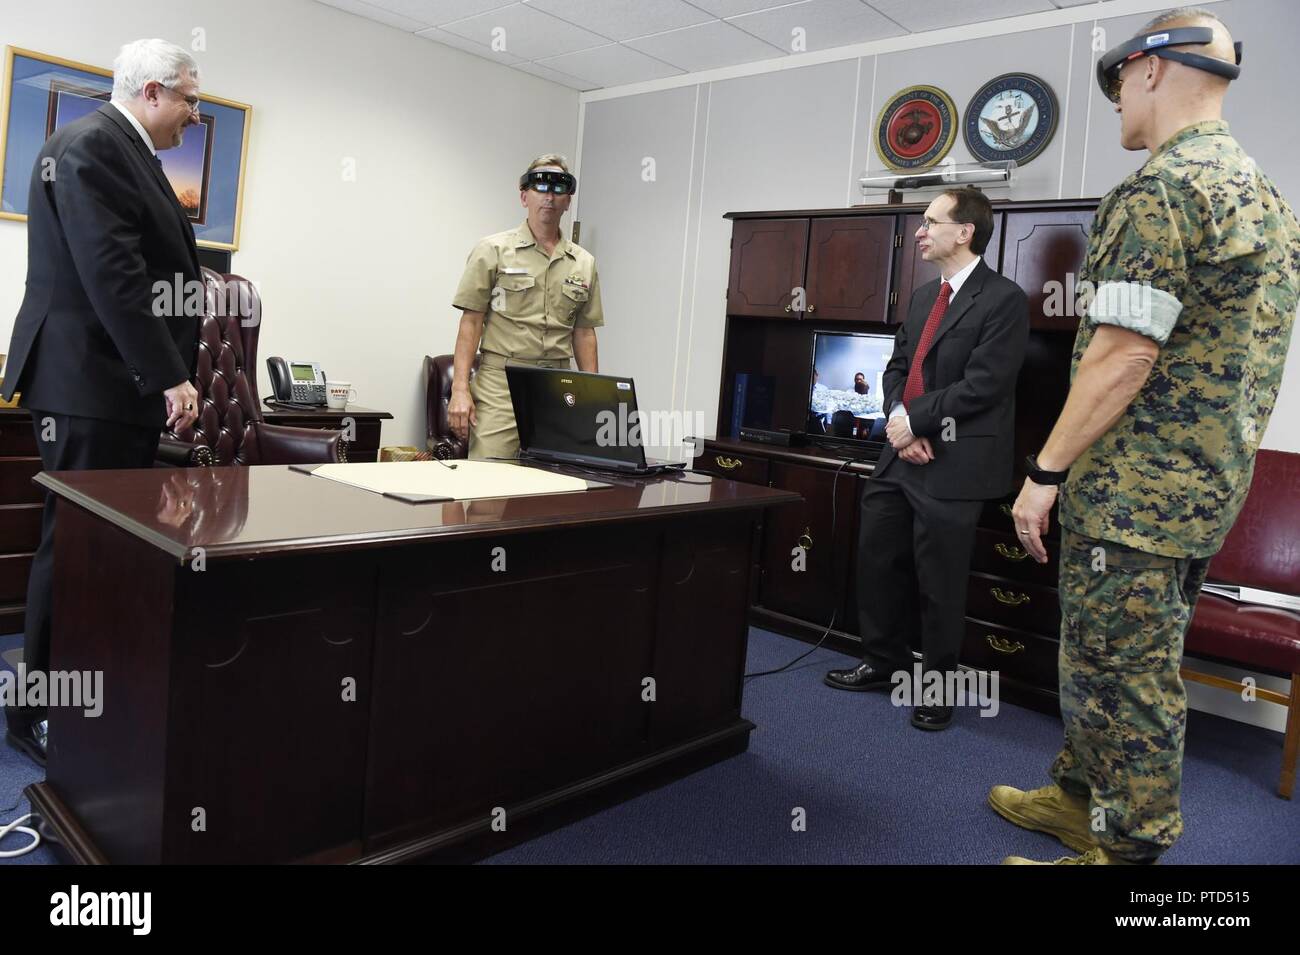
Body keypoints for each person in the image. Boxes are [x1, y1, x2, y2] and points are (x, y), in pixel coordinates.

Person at [992, 7, 1300, 864]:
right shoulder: (1266, 198)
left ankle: (1126, 848)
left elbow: (1123, 355)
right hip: (1198, 490)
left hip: (1136, 489)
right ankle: (1077, 795)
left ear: (1154, 69)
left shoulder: (1164, 189)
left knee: (1122, 673)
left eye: (1120, 80)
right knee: (1108, 654)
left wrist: (1045, 469)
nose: (1119, 99)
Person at [1, 38, 204, 766]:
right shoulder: (90, 147)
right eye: (187, 98)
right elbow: (112, 275)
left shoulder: (122, 151)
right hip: (88, 385)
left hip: (111, 387)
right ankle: (38, 711)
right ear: (152, 91)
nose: (193, 113)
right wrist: (170, 375)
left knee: (99, 548)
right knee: (76, 547)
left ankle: (87, 688)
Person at [824, 187, 1029, 731]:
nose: (920, 230)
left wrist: (916, 420)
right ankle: (882, 661)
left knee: (939, 582)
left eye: (931, 221)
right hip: (900, 454)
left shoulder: (1004, 299)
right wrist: (899, 418)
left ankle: (937, 687)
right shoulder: (921, 297)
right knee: (877, 561)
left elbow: (985, 384)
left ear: (964, 232)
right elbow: (896, 367)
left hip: (956, 463)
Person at [447, 154, 604, 460]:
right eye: (540, 186)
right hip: (501, 382)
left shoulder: (584, 262)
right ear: (524, 196)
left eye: (558, 189)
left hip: (558, 385)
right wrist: (460, 389)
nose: (549, 195)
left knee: (555, 484)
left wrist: (593, 397)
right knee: (488, 488)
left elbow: (584, 333)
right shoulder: (493, 250)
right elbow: (471, 322)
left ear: (568, 201)